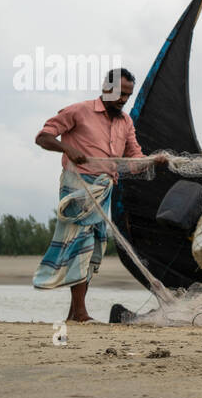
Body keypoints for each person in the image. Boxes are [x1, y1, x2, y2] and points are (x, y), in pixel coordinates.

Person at [33, 68, 168, 322]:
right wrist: (67, 149)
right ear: (107, 87)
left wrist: (153, 162)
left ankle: (74, 314)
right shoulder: (79, 111)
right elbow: (43, 137)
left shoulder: (125, 122)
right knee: (80, 243)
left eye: (128, 96)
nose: (123, 100)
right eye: (119, 94)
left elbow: (134, 158)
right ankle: (81, 314)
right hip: (77, 186)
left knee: (95, 247)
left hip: (104, 188)